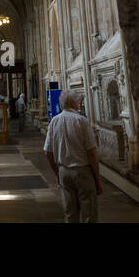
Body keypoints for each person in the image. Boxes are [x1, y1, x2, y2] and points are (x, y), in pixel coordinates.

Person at [43, 89, 103, 223]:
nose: (79, 103)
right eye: (78, 100)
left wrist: (57, 173)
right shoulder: (81, 121)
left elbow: (47, 152)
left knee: (70, 214)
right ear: (73, 102)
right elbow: (91, 152)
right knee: (89, 214)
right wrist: (97, 179)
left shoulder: (54, 121)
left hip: (64, 172)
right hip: (83, 172)